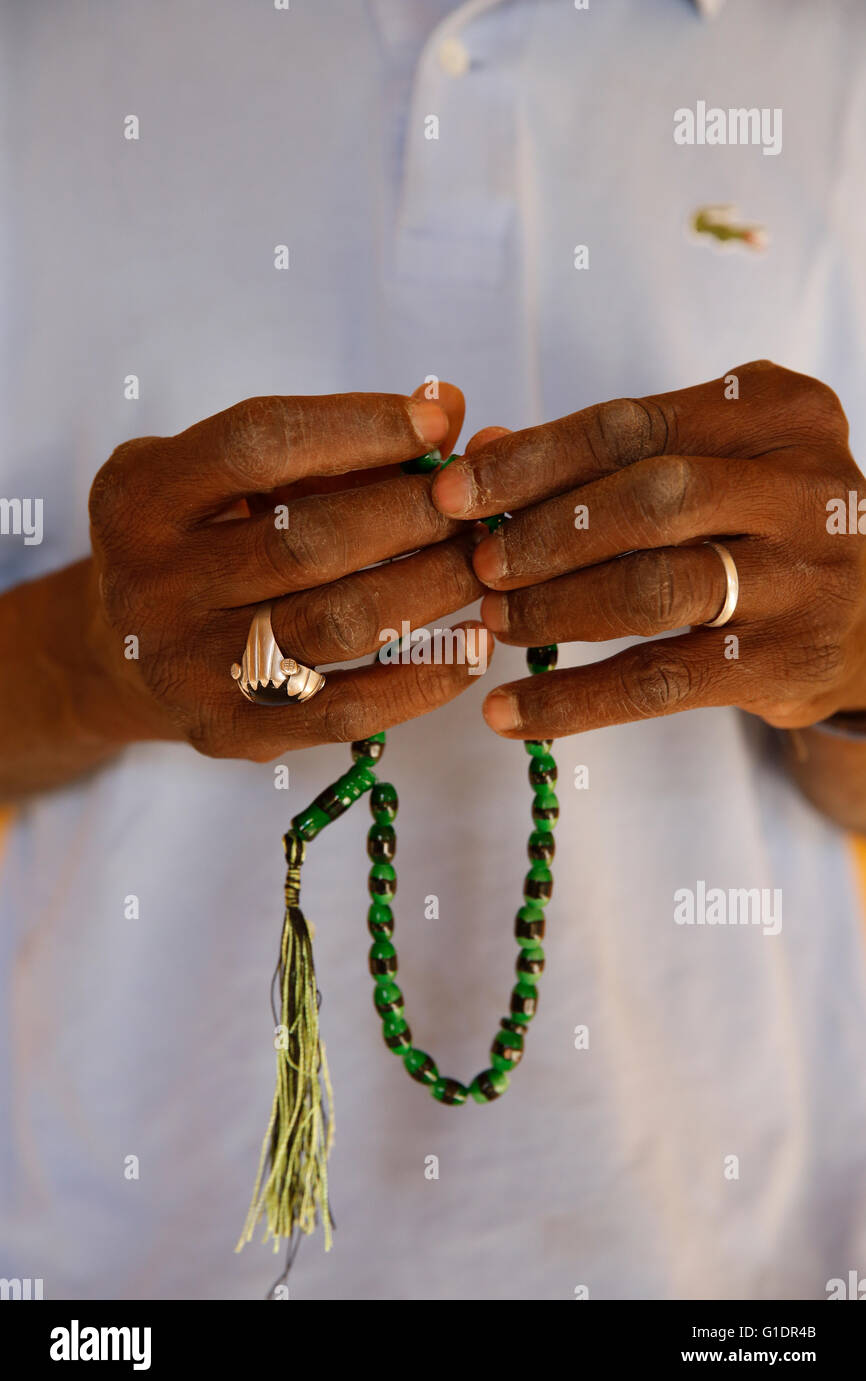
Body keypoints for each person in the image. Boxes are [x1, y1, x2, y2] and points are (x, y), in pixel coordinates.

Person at [2, 0, 866, 1300]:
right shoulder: (35, 48)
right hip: (124, 1275)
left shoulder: (830, 53)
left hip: (720, 1268)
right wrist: (89, 651)